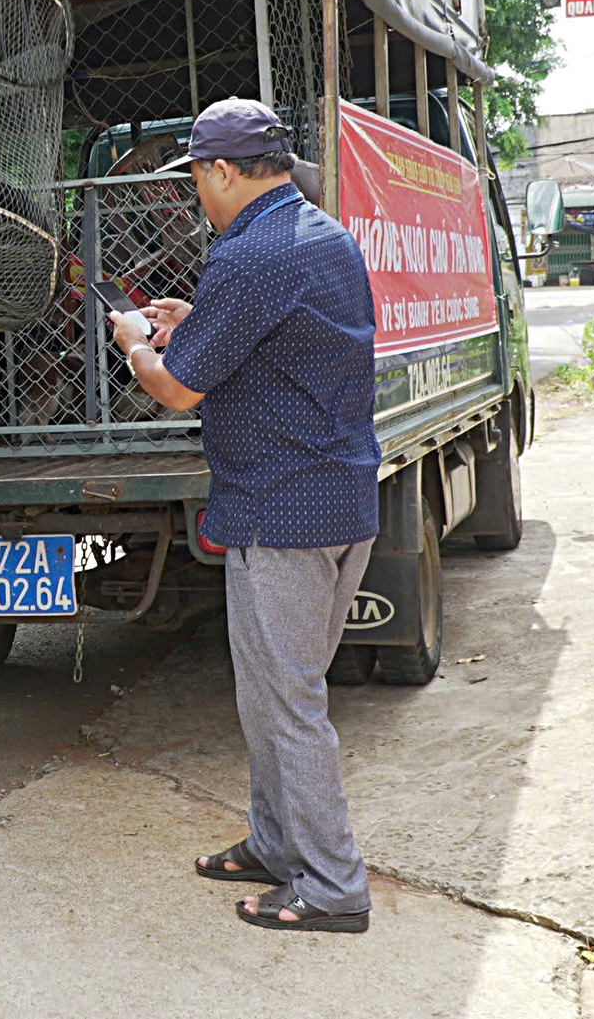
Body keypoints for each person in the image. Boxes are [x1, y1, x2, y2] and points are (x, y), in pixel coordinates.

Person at [106, 98, 383, 935]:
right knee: (272, 694)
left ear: (223, 171)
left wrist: (135, 343)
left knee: (287, 702)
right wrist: (195, 321)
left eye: (196, 176)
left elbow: (175, 388)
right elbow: (286, 338)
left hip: (280, 510)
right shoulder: (319, 234)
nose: (196, 193)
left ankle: (332, 884)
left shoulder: (247, 253)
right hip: (340, 498)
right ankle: (274, 842)